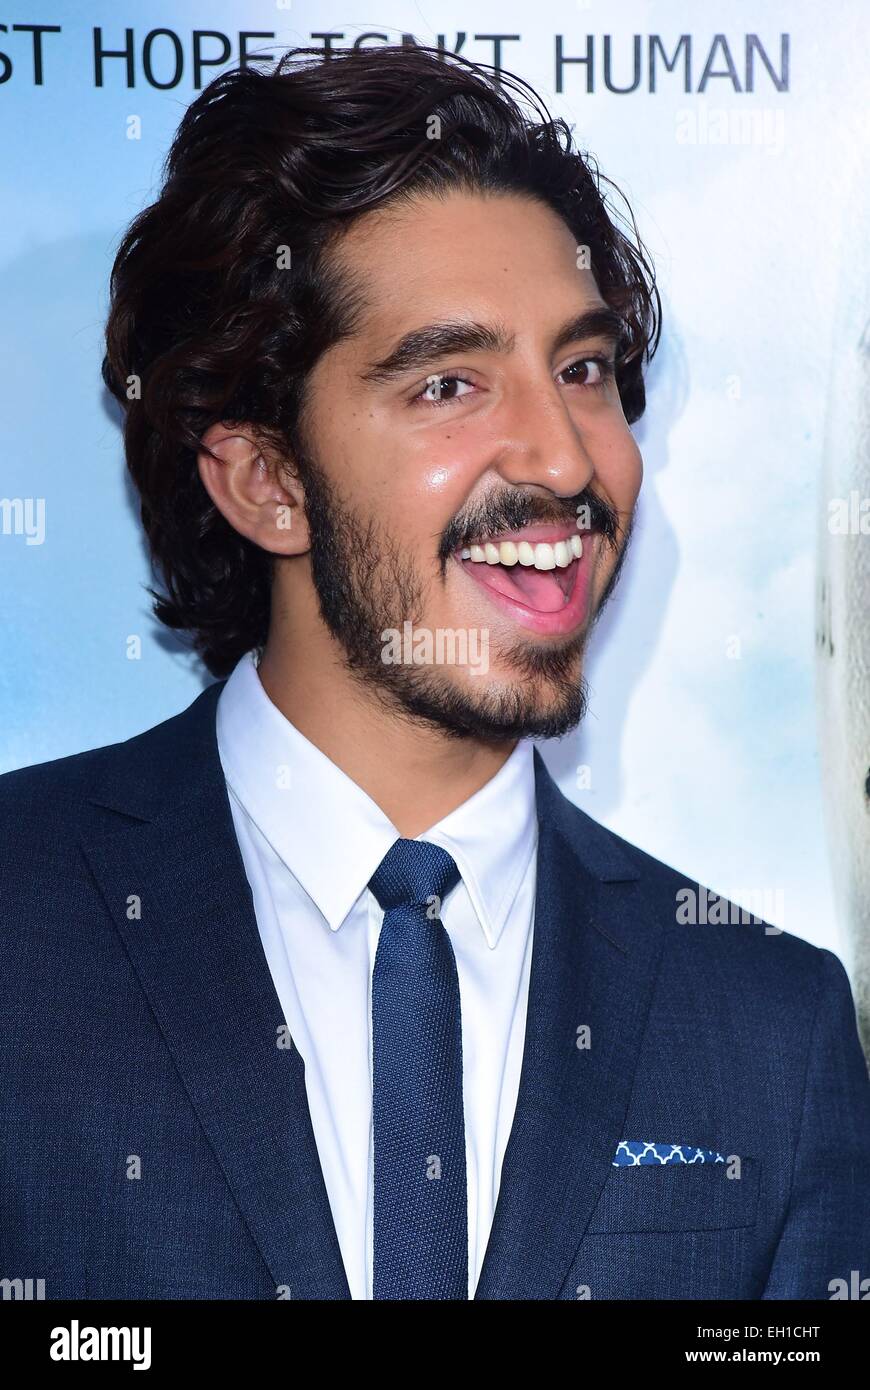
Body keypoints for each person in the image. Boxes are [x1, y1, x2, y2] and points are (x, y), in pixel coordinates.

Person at [1, 44, 867, 1302]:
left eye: (582, 370)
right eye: (450, 383)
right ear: (267, 479)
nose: (564, 459)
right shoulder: (21, 921)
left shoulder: (772, 1025)